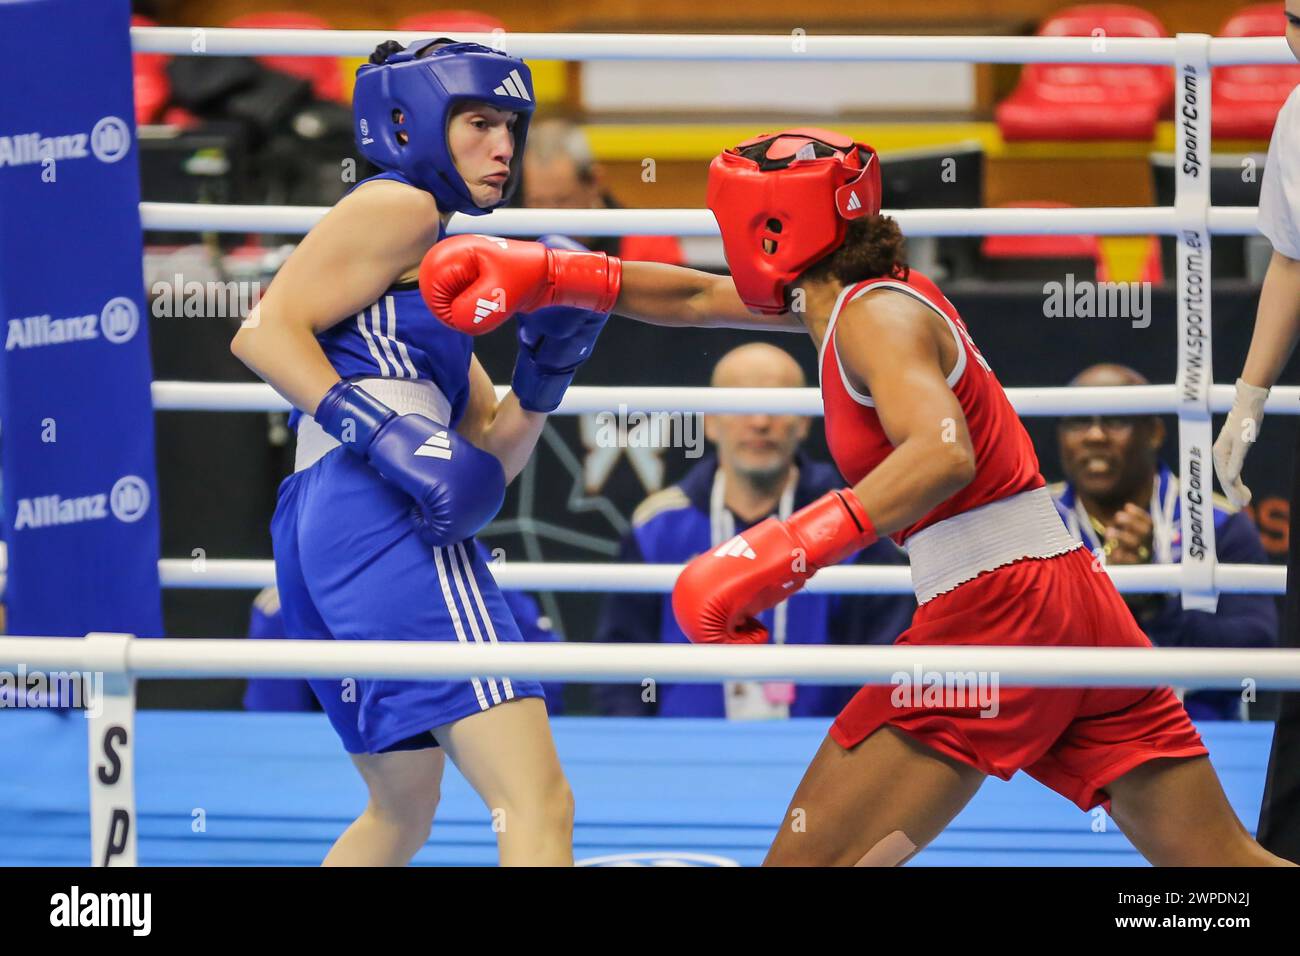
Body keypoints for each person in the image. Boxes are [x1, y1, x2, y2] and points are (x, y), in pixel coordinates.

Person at [419, 127, 1293, 866]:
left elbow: (943, 451)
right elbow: (690, 298)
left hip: (999, 609)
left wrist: (788, 546)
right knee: (1225, 871)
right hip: (1065, 596)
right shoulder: (843, 298)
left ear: (768, 227)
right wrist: (550, 272)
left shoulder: (871, 317)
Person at [230, 38, 615, 866]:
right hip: (372, 506)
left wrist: (549, 371)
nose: (503, 147)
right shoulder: (397, 205)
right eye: (479, 121)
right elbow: (261, 333)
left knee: (401, 809)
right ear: (407, 122)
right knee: (536, 801)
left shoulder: (435, 263)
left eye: (512, 124)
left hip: (321, 518)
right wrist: (382, 432)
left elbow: (482, 466)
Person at [593, 342, 913, 718]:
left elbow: (883, 666)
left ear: (805, 420)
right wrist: (641, 757)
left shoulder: (855, 525)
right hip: (681, 757)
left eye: (778, 404)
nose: (760, 421)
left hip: (822, 755)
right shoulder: (659, 526)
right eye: (742, 401)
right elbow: (621, 665)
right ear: (710, 422)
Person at [1053, 364, 1276, 722]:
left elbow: (1258, 646)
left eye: (1115, 420)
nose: (1094, 435)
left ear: (1154, 432)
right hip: (1066, 730)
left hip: (1199, 728)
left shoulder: (1217, 522)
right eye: (1078, 421)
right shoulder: (1037, 521)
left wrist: (1155, 604)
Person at [1213, 0, 1300, 862]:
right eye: (1295, 17)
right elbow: (1292, 256)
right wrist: (1248, 399)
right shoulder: (1295, 114)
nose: (1297, 40)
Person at [244, 542, 567, 715]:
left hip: (472, 739)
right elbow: (273, 719)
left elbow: (544, 669)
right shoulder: (298, 590)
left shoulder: (464, 558)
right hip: (360, 760)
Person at [522, 118, 685, 265]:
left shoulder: (649, 239)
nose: (550, 216)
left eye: (562, 200)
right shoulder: (512, 245)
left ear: (594, 182)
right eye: (537, 202)